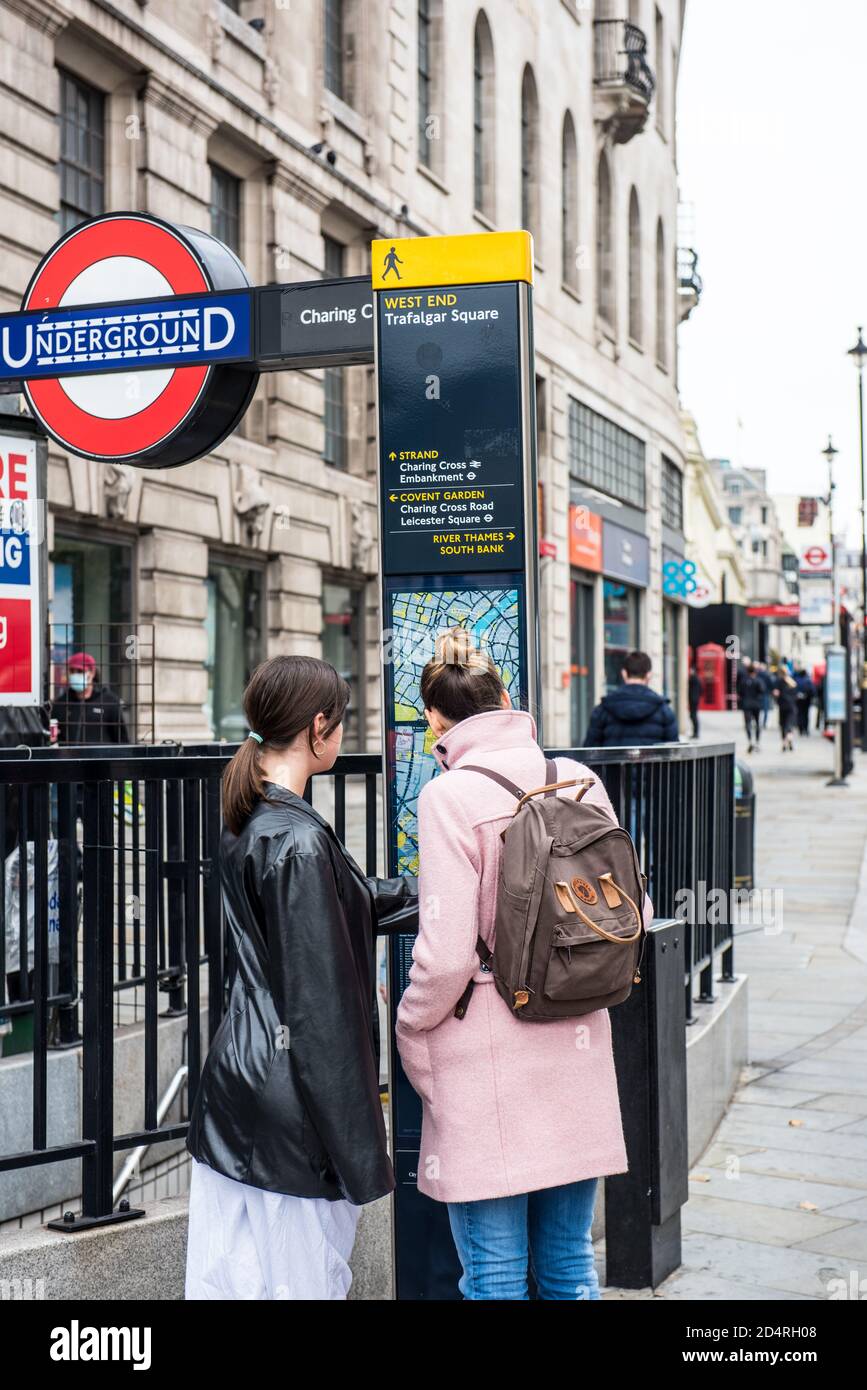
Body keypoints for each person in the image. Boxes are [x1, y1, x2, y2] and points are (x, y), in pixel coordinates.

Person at [395, 627, 654, 1301]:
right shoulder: (576, 777)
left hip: (483, 1050)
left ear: (435, 720)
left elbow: (446, 951)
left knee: (493, 1273)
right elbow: (635, 912)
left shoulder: (447, 796)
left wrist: (410, 1024)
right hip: (576, 1037)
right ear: (508, 699)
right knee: (569, 1259)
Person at [184, 655, 418, 1300]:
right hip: (291, 1106)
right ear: (319, 727)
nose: (343, 736)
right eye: (341, 721)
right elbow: (320, 1010)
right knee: (298, 1283)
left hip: (241, 1080)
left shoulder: (249, 812)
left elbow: (343, 901)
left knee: (238, 1281)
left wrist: (447, 891)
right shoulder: (297, 838)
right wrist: (360, 1147)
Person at [583, 650, 679, 747]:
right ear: (648, 675)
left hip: (614, 762)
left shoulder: (602, 710)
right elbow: (674, 752)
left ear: (624, 673)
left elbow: (590, 750)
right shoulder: (664, 711)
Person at [50, 652, 129, 744]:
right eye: (72, 671)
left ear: (92, 673)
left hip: (102, 757)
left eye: (80, 671)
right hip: (69, 757)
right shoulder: (61, 704)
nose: (75, 675)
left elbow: (122, 740)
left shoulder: (109, 702)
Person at [736, 660, 764, 752]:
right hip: (756, 705)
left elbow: (739, 692)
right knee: (757, 723)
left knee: (747, 724)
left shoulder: (743, 681)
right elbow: (762, 691)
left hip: (746, 705)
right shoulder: (758, 680)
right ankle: (757, 742)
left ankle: (750, 741)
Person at [774, 666, 799, 751]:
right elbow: (796, 695)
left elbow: (776, 693)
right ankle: (790, 738)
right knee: (789, 725)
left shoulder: (779, 681)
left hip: (782, 706)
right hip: (792, 706)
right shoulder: (792, 682)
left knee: (783, 725)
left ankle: (784, 743)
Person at [794, 666, 814, 736]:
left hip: (798, 700)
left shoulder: (796, 680)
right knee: (806, 714)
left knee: (800, 714)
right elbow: (812, 691)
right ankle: (805, 729)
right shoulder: (808, 680)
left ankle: (801, 729)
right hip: (807, 700)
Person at [687, 664, 702, 739]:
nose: (690, 671)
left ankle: (696, 733)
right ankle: (695, 732)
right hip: (695, 700)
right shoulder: (698, 679)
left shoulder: (693, 678)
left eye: (691, 670)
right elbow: (701, 691)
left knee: (693, 716)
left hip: (693, 700)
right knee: (693, 716)